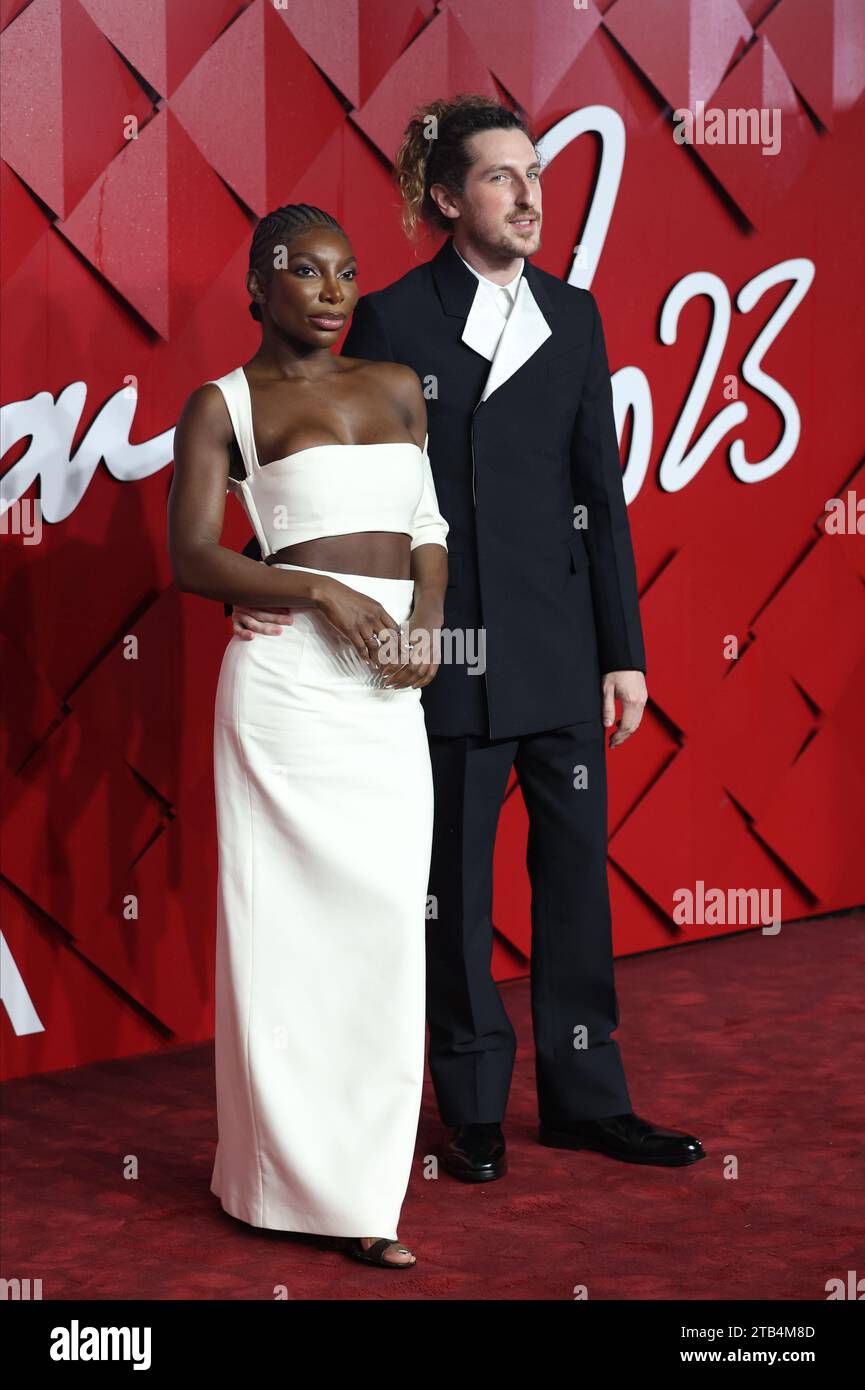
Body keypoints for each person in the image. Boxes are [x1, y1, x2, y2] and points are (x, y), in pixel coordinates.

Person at [230, 97, 705, 1181]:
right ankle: (475, 1109)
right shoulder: (392, 317)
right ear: (447, 198)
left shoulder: (575, 317)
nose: (531, 194)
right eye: (502, 176)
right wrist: (250, 576)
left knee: (577, 884)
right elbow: (320, 455)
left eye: (536, 173)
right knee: (454, 893)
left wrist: (621, 652)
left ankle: (589, 1098)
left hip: (559, 651)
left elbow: (602, 492)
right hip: (440, 655)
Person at [166, 203, 450, 1267]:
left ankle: (366, 1192)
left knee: (380, 940)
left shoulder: (393, 386)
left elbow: (427, 531)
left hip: (386, 697)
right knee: (280, 946)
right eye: (306, 274)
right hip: (285, 692)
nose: (331, 293)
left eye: (346, 275)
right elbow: (194, 556)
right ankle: (269, 1182)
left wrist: (427, 629)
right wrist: (321, 591)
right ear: (257, 284)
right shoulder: (222, 405)